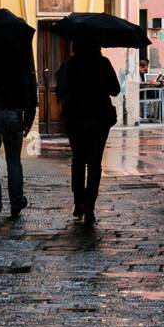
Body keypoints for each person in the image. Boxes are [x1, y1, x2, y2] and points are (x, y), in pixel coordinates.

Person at [56, 41, 121, 227]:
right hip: (99, 118)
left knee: (78, 160)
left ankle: (79, 202)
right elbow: (115, 90)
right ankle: (90, 205)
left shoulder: (69, 65)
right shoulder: (103, 63)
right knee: (94, 163)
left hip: (76, 118)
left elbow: (60, 90)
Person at [0, 48, 38, 224]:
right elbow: (29, 81)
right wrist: (30, 113)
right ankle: (16, 203)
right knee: (13, 160)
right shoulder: (20, 50)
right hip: (14, 111)